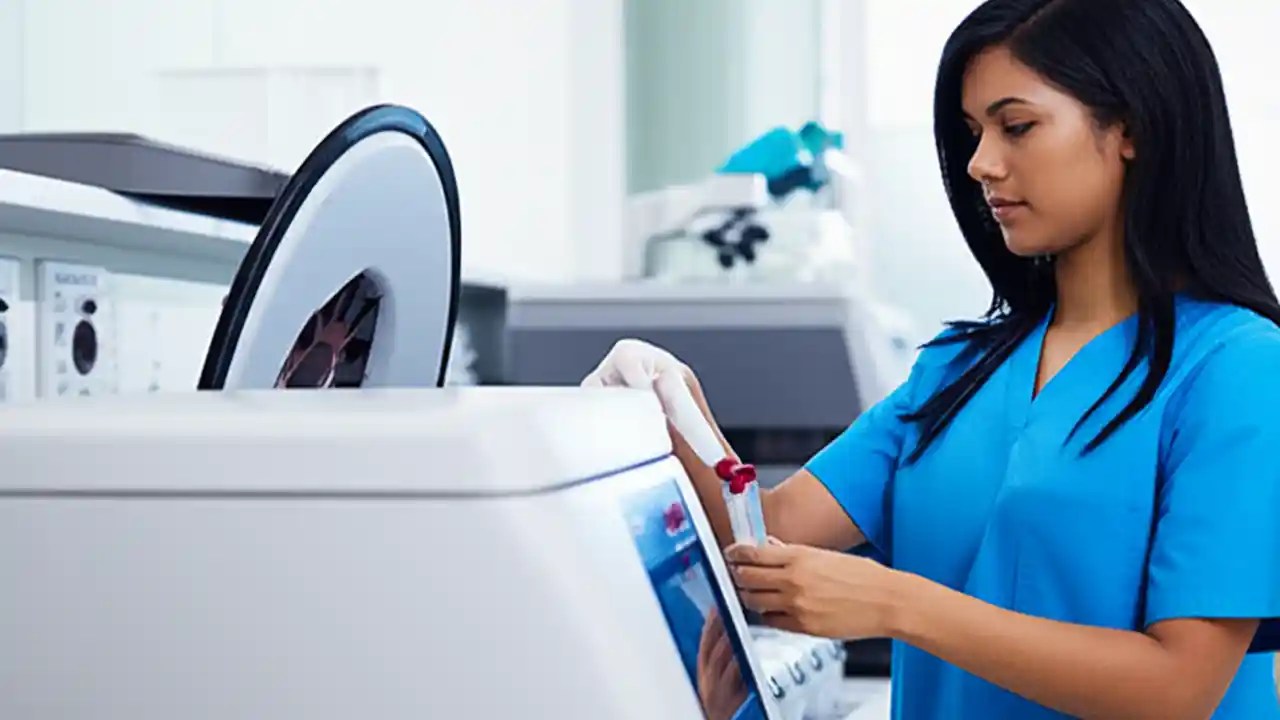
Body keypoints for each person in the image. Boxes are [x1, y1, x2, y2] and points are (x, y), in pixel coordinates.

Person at [581, 0, 1280, 717]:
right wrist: (673, 404)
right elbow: (766, 534)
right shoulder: (956, 369)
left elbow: (1178, 687)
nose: (980, 163)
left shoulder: (1237, 370)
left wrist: (895, 603)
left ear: (1131, 126)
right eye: (974, 133)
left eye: (1016, 127)